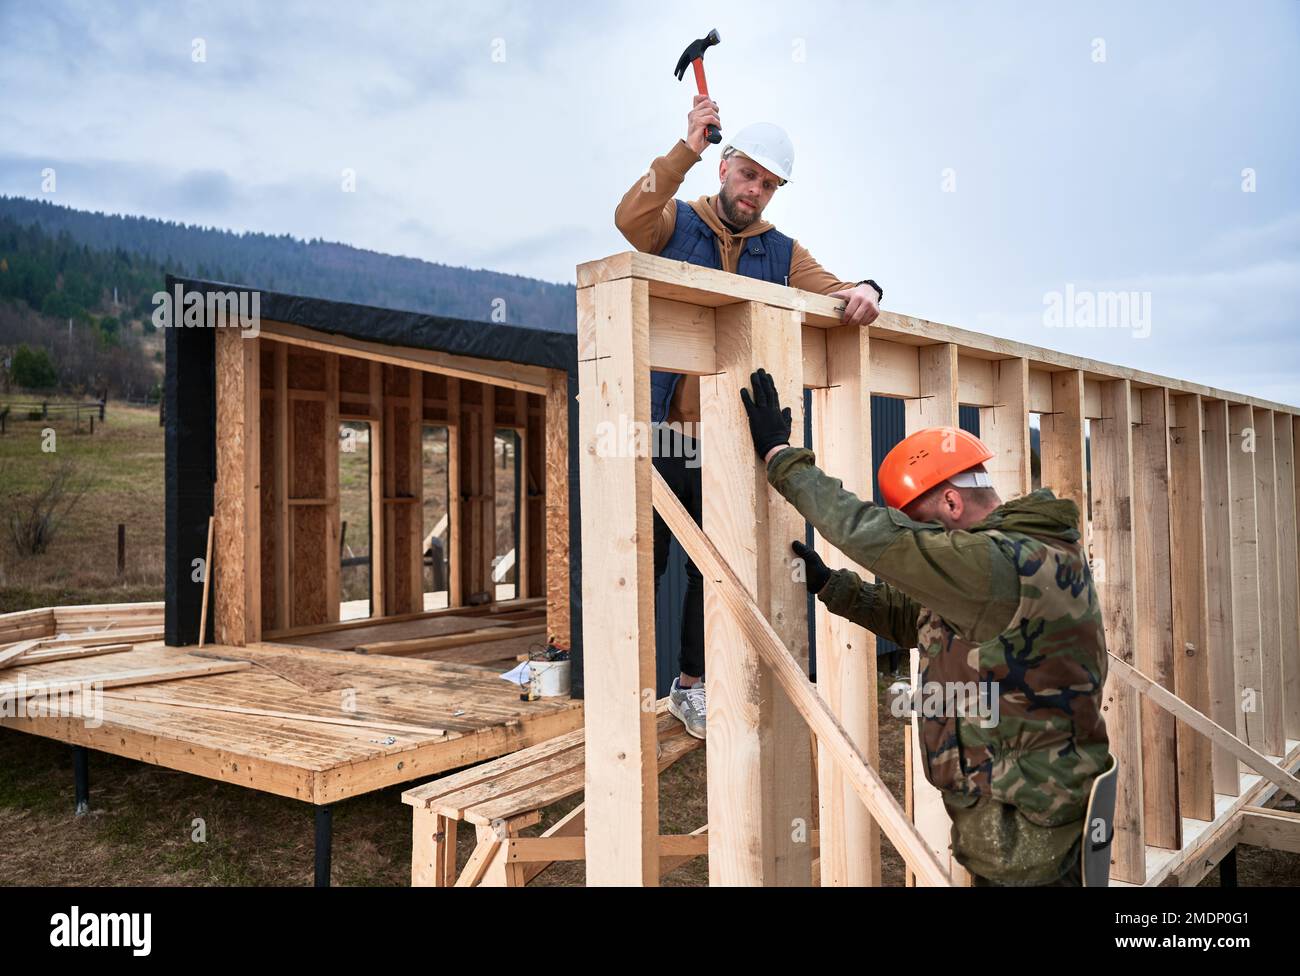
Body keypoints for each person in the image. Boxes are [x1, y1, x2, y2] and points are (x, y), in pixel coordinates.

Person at [739, 368, 1113, 886]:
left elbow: (871, 535)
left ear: (952, 503)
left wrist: (783, 459)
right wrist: (834, 586)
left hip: (1031, 829)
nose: (920, 542)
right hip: (1032, 812)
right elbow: (924, 622)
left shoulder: (996, 563)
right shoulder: (1017, 554)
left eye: (921, 525)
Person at [614, 94, 884, 738]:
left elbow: (836, 288)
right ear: (724, 168)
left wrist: (867, 290)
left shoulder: (780, 252)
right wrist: (686, 148)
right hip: (653, 434)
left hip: (724, 441)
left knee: (720, 561)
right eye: (748, 176)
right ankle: (619, 691)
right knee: (639, 558)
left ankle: (692, 685)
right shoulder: (673, 222)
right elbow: (629, 217)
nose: (756, 191)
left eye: (768, 184)